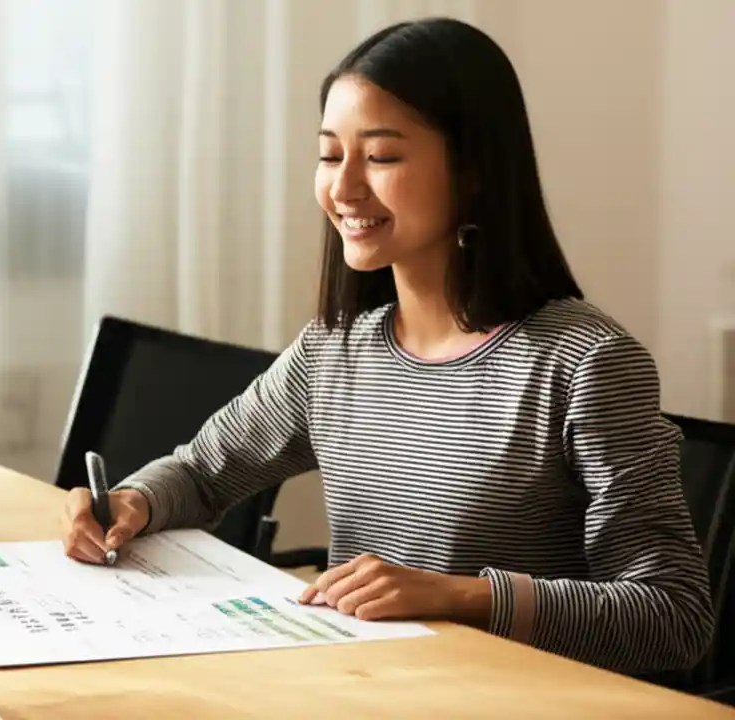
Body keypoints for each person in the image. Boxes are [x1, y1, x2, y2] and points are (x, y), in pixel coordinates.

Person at [59, 17, 714, 676]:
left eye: (381, 157)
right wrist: (132, 504)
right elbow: (202, 474)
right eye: (328, 154)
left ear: (476, 170)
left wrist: (460, 596)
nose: (343, 189)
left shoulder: (586, 363)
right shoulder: (334, 350)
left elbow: (674, 619)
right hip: (368, 688)